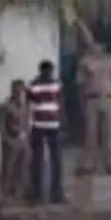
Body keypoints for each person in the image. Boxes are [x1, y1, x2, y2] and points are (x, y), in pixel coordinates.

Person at [76, 37, 111, 175]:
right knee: (91, 133)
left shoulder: (109, 60)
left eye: (99, 44)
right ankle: (88, 164)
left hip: (108, 98)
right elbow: (81, 84)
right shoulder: (85, 61)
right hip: (92, 98)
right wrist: (81, 102)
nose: (96, 47)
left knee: (109, 133)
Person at [27, 60, 65, 204]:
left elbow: (61, 103)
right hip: (38, 126)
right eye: (47, 71)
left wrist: (62, 121)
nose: (49, 74)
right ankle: (37, 194)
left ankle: (56, 194)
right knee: (37, 160)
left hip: (54, 126)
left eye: (51, 71)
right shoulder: (34, 85)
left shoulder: (57, 84)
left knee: (56, 161)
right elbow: (28, 105)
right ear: (42, 71)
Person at [0, 79, 31, 201]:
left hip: (23, 140)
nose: (20, 94)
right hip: (11, 141)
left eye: (22, 91)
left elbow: (27, 123)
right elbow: (0, 126)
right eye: (17, 91)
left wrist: (26, 136)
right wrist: (7, 139)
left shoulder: (25, 107)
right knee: (8, 168)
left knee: (22, 168)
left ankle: (19, 193)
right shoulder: (5, 106)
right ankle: (5, 193)